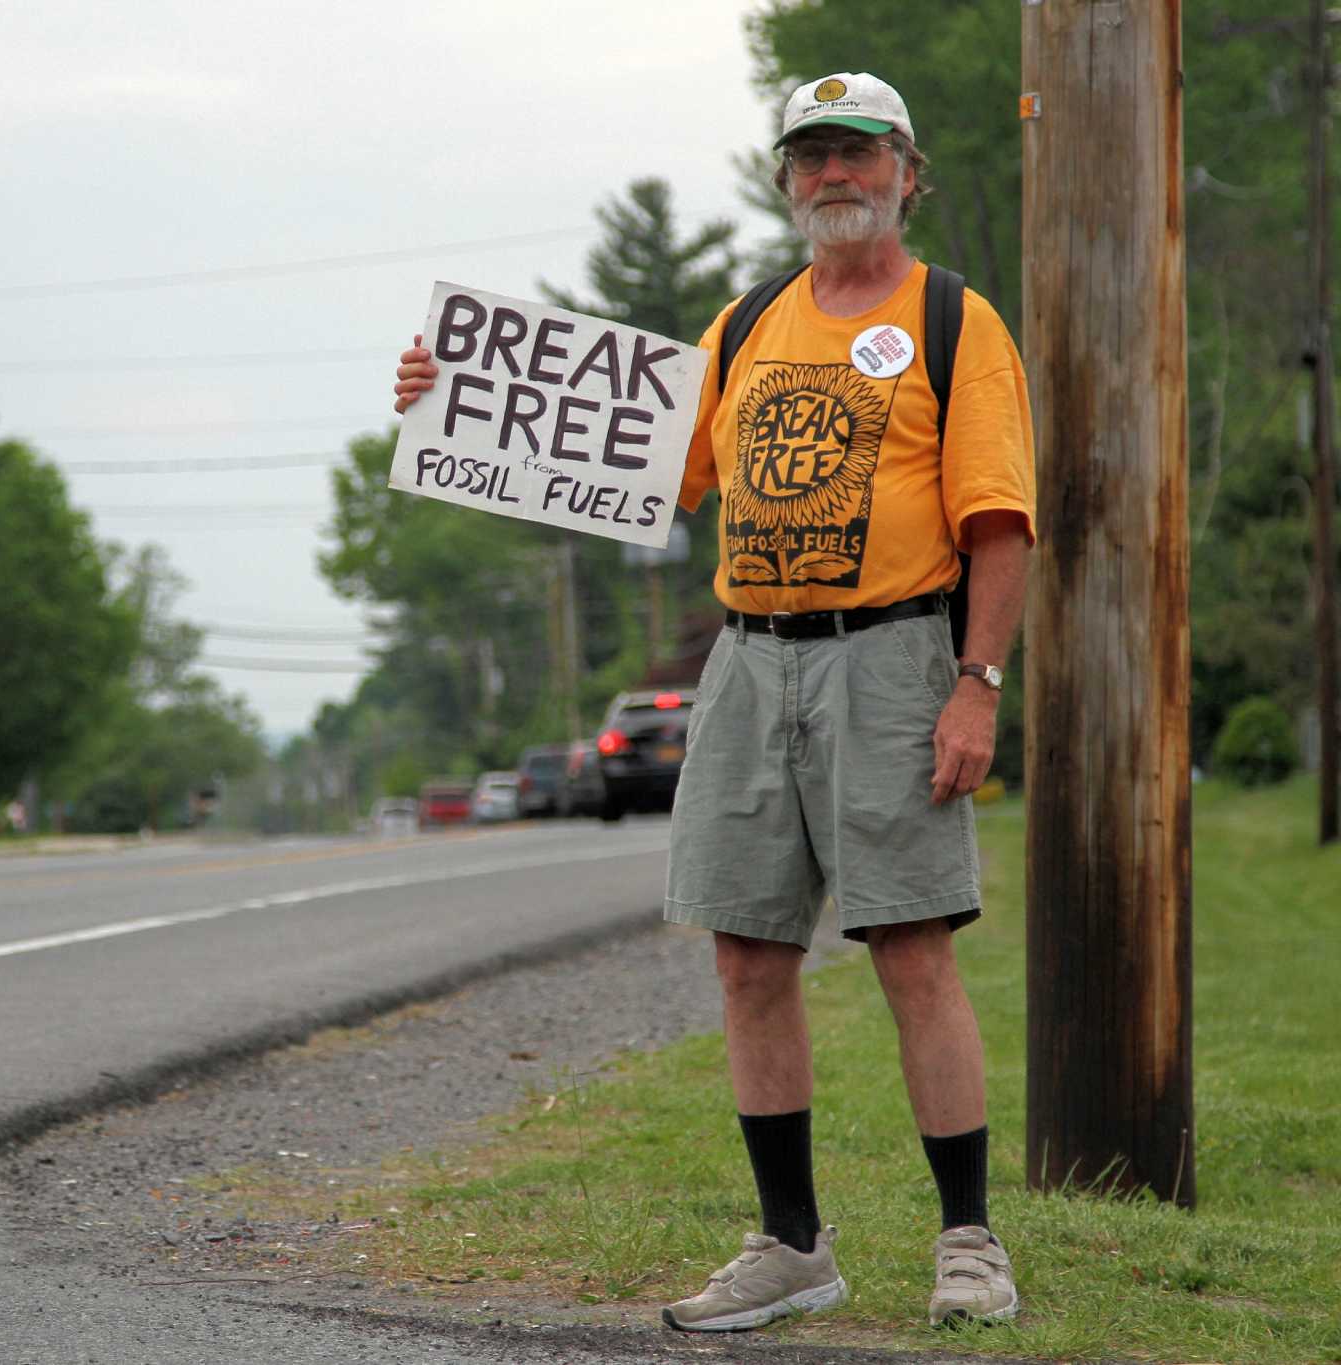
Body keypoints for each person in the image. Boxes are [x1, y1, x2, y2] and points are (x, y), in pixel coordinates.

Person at [392, 71, 1034, 1333]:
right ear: (782, 180)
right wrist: (448, 400)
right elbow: (623, 463)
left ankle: (967, 1243)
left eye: (857, 152)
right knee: (745, 956)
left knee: (909, 949)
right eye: (809, 156)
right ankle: (791, 1248)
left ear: (907, 173)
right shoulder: (740, 330)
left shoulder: (955, 323)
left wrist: (976, 684)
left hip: (891, 657)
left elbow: (998, 525)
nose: (833, 175)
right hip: (745, 664)